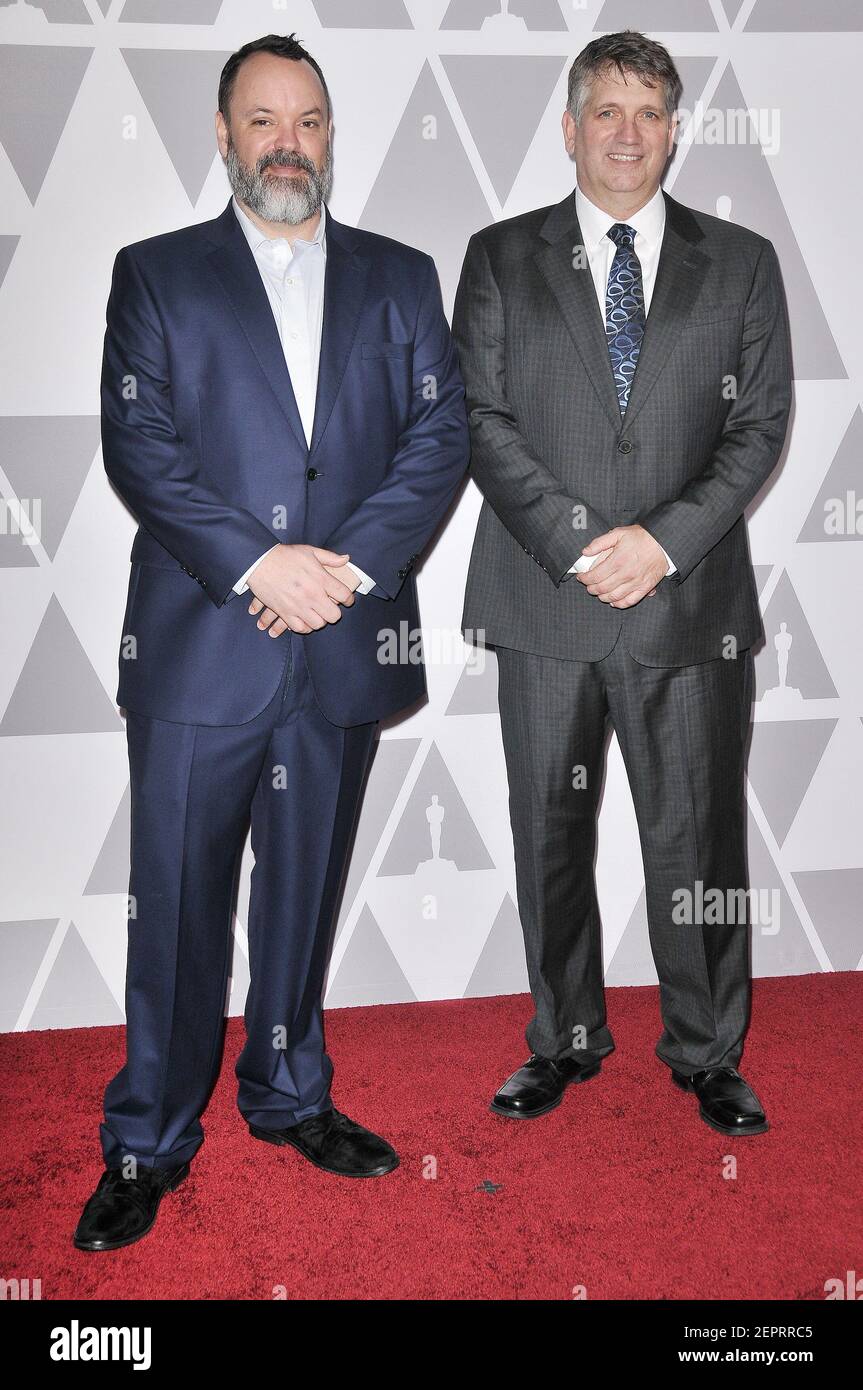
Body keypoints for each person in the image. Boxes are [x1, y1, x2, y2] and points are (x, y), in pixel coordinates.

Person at [74, 32, 469, 1252]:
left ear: (329, 135)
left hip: (341, 642)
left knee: (301, 893)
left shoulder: (401, 277)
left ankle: (291, 1094)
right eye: (262, 120)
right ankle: (147, 1136)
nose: (285, 141)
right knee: (178, 905)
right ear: (223, 133)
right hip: (204, 648)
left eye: (306, 119)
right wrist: (262, 563)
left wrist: (335, 572)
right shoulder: (158, 274)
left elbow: (436, 439)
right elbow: (144, 453)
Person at [452, 30, 792, 1134]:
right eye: (606, 110)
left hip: (686, 606)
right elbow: (482, 421)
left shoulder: (738, 262)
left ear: (673, 130)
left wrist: (658, 543)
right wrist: (580, 542)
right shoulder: (498, 257)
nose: (626, 134)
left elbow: (757, 427)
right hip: (542, 601)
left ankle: (706, 1050)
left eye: (648, 112)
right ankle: (562, 1038)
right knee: (548, 837)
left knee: (697, 845)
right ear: (567, 127)